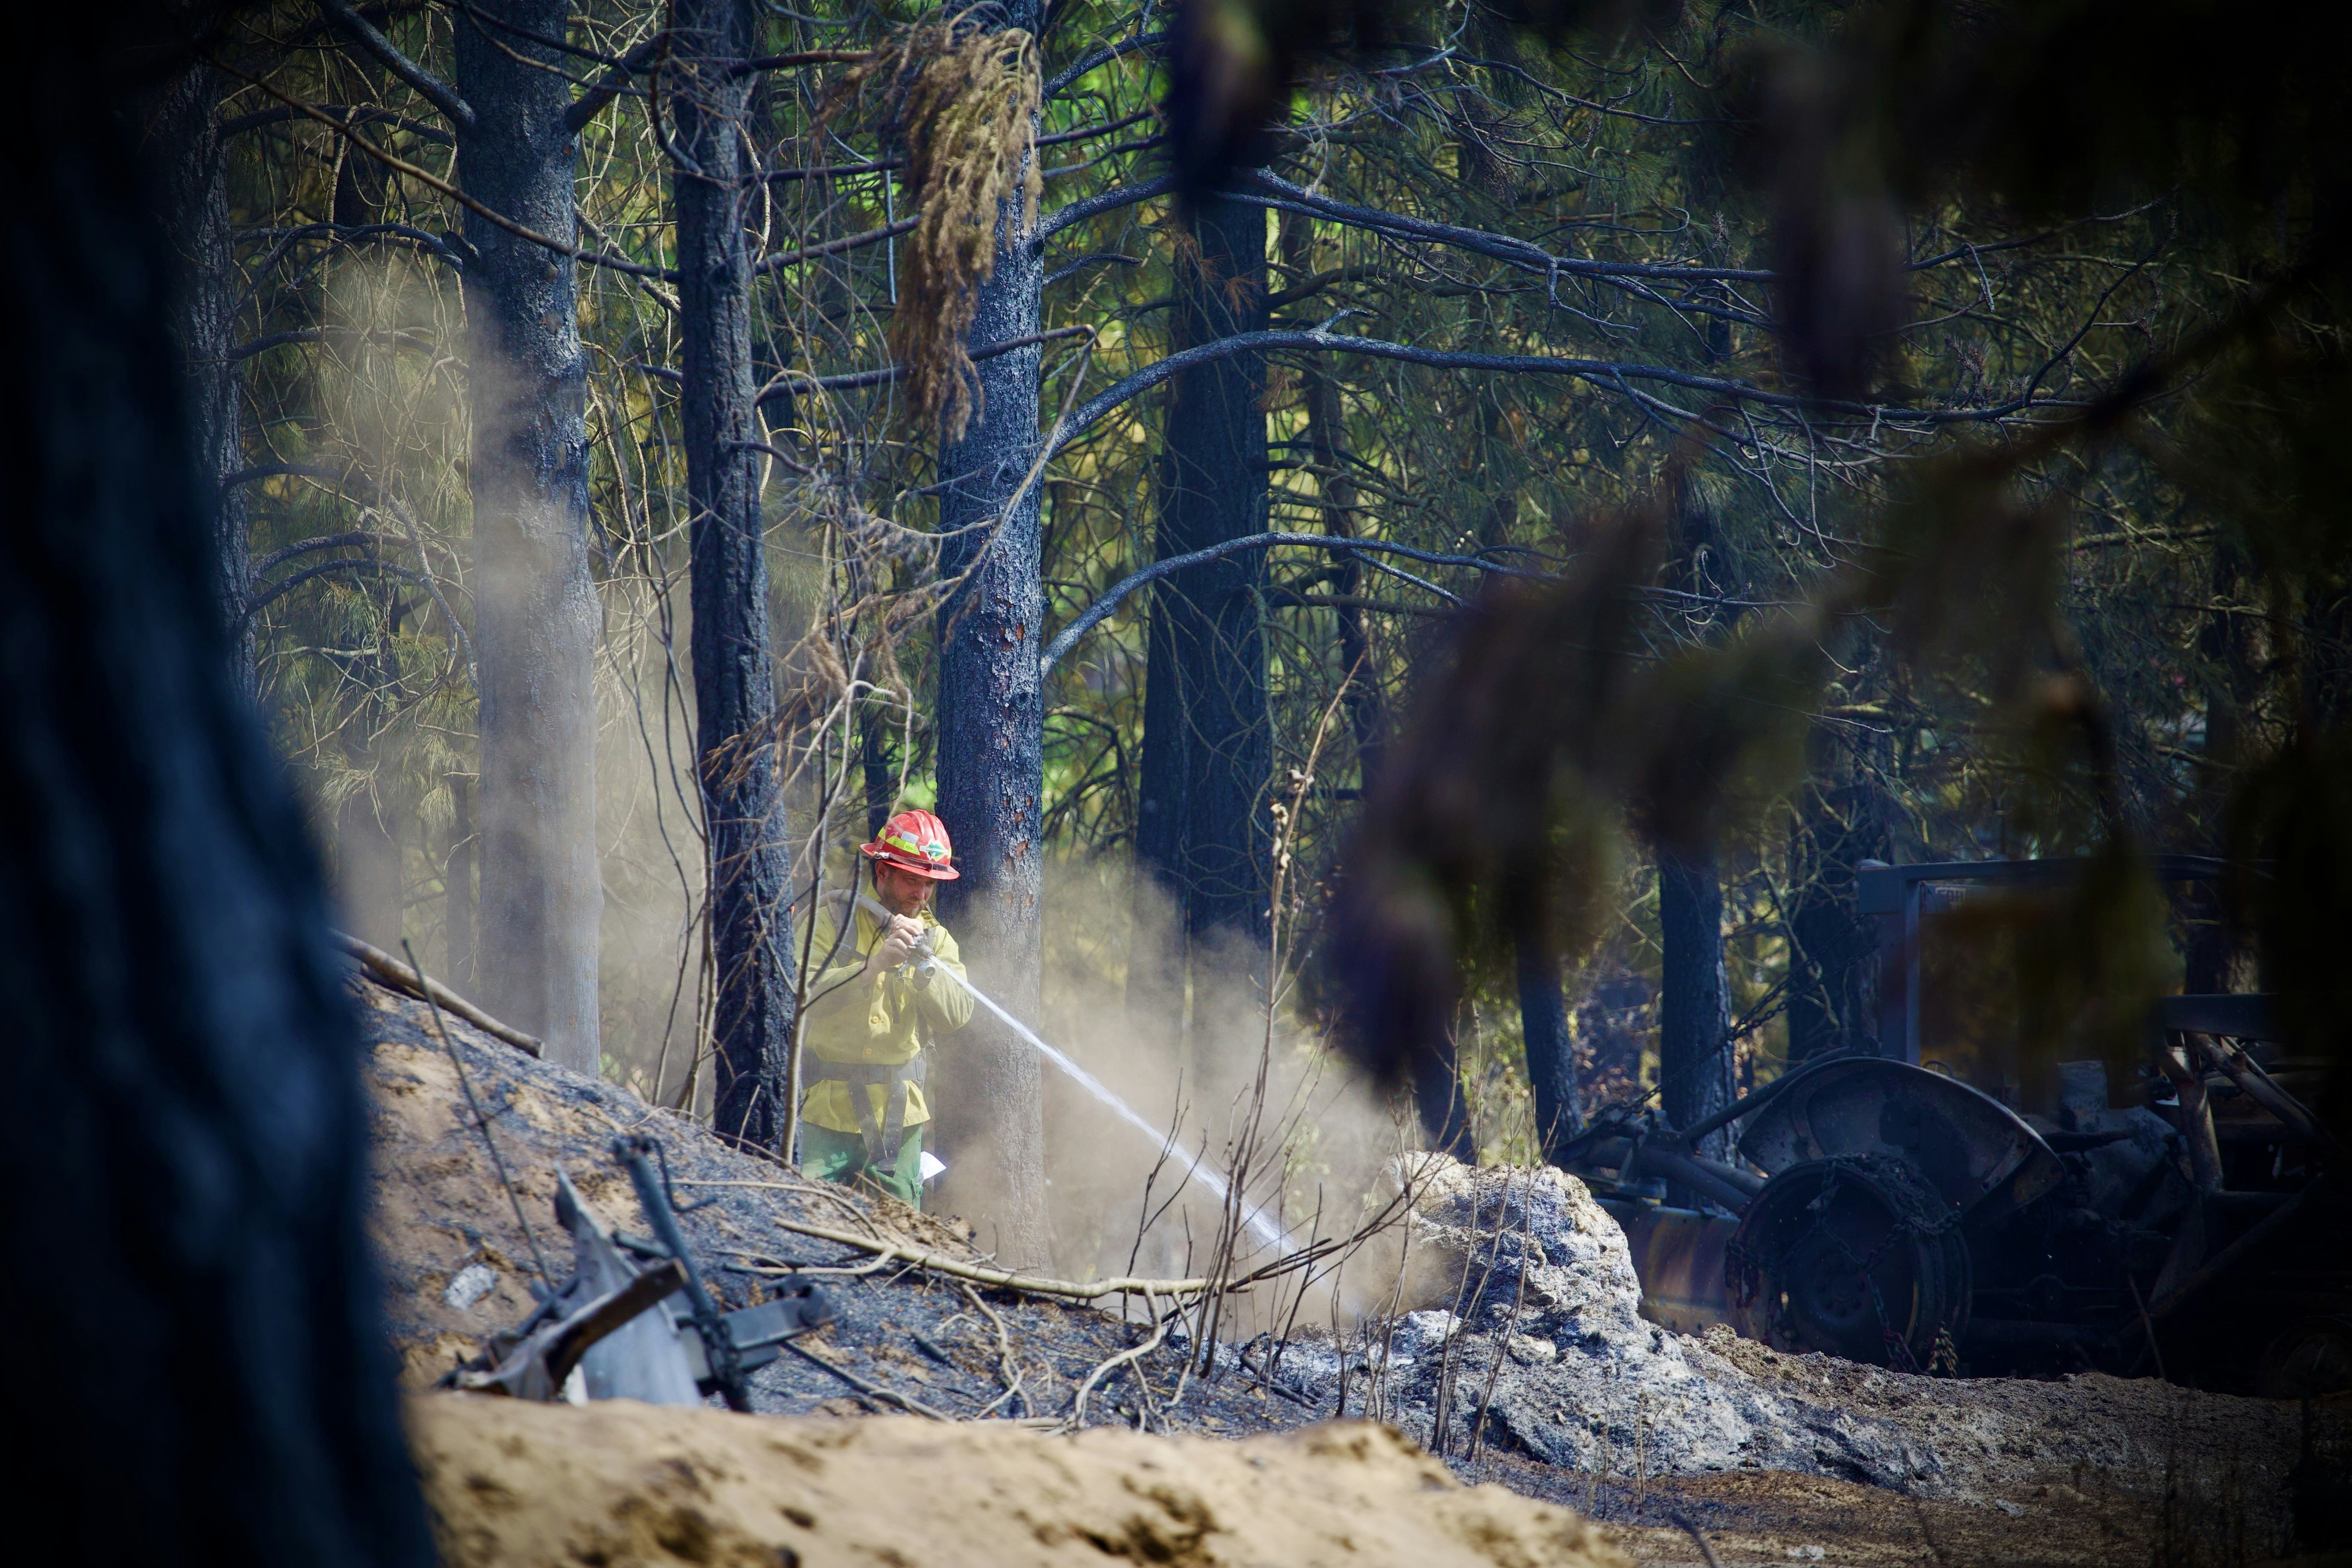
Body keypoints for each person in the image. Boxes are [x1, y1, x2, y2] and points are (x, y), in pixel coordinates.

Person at [797, 809, 973, 1205]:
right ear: (882, 872)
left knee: (900, 1238)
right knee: (802, 1213)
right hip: (825, 1113)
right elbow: (800, 997)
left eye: (930, 884)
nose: (922, 895)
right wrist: (873, 967)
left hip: (898, 1120)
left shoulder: (937, 940)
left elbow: (957, 1016)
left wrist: (926, 972)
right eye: (913, 880)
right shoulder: (830, 922)